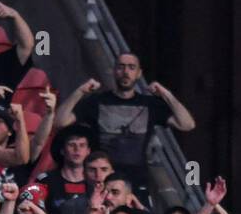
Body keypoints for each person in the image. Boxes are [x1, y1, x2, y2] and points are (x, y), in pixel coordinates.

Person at [57, 54, 196, 195]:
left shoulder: (150, 104)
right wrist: (80, 91)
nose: (126, 72)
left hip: (137, 181)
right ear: (114, 70)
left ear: (138, 73)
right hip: (102, 180)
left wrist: (166, 94)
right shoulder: (96, 101)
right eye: (121, 67)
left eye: (131, 67)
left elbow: (187, 124)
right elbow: (60, 121)